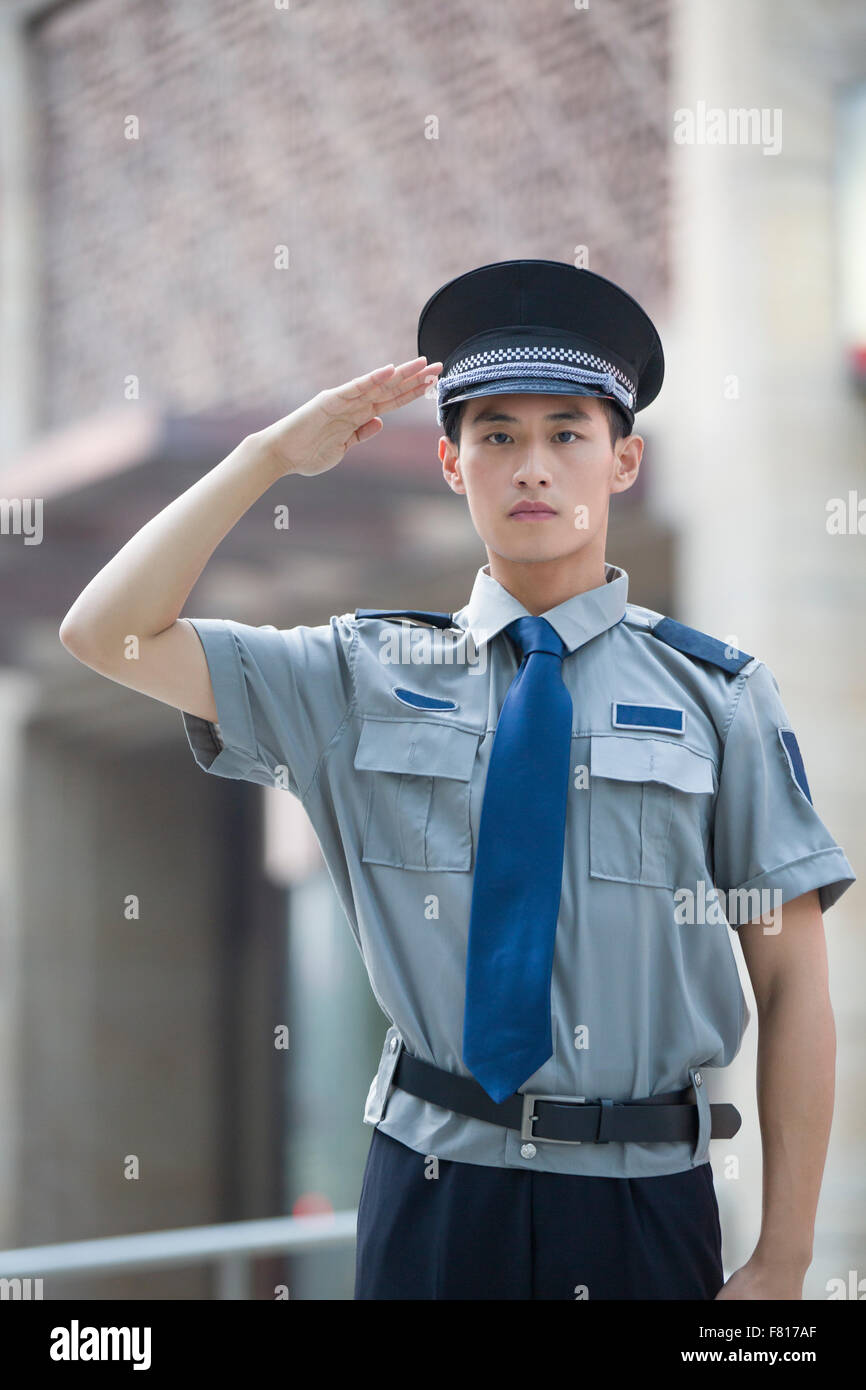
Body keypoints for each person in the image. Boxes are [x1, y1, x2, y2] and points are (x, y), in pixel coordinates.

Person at [59, 258, 856, 1302]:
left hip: (640, 1204)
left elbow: (793, 979)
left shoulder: (719, 695)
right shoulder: (355, 675)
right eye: (496, 436)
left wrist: (783, 1257)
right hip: (431, 1192)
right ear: (449, 462)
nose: (532, 467)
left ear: (622, 461)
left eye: (566, 432)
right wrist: (265, 459)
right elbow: (104, 634)